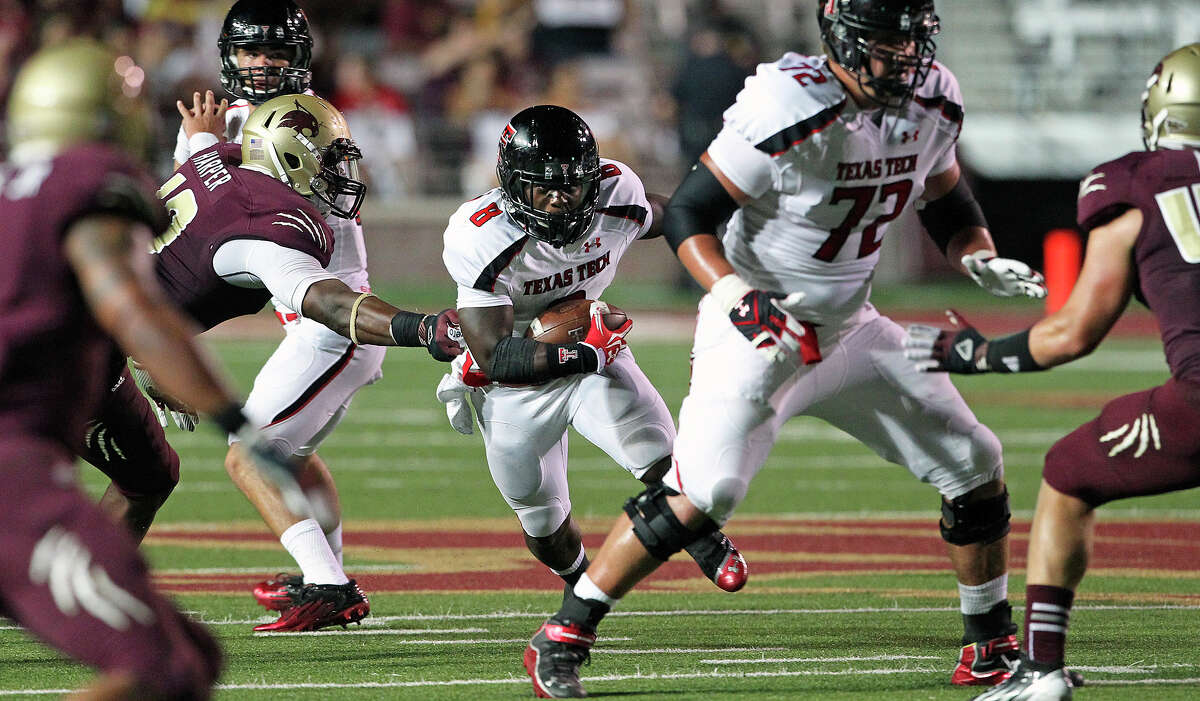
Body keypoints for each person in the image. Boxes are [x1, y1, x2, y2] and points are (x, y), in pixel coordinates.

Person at [521, 1, 1050, 697]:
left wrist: (977, 255)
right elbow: (688, 211)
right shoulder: (789, 100)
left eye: (914, 39)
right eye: (889, 41)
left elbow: (947, 198)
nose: (907, 56)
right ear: (845, 40)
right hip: (757, 326)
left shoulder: (933, 98)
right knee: (705, 490)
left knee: (975, 460)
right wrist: (738, 296)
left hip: (852, 325)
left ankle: (988, 644)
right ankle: (564, 632)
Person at [0, 39, 300, 700]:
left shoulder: (18, 187)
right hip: (12, 465)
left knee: (186, 653)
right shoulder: (87, 184)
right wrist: (233, 417)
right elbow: (131, 305)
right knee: (169, 665)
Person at [904, 43, 1200, 701]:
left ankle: (1040, 672)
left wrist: (968, 353)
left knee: (1067, 474)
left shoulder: (1136, 184)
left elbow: (1072, 334)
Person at [108, 91, 462, 632]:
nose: (343, 173)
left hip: (107, 324)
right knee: (243, 455)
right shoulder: (266, 229)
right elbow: (330, 302)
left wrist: (201, 130)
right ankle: (327, 583)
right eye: (329, 159)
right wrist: (422, 328)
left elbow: (198, 154)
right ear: (288, 159)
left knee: (165, 471)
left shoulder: (219, 160)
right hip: (80, 342)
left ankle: (324, 576)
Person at [436, 104, 749, 606]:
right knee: (541, 519)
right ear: (513, 184)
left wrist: (736, 224)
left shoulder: (617, 195)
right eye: (543, 186)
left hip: (595, 352)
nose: (560, 200)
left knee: (663, 459)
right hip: (516, 376)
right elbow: (494, 356)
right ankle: (581, 580)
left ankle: (707, 540)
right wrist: (584, 354)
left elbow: (673, 216)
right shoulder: (482, 234)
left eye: (572, 185)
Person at [166, 0, 397, 632]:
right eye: (249, 52)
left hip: (337, 317)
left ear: (300, 57)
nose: (262, 64)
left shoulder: (311, 120)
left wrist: (206, 150)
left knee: (250, 453)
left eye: (275, 52)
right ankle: (328, 572)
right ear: (228, 56)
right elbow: (195, 225)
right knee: (290, 453)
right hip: (305, 318)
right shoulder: (224, 122)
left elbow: (255, 205)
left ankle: (329, 584)